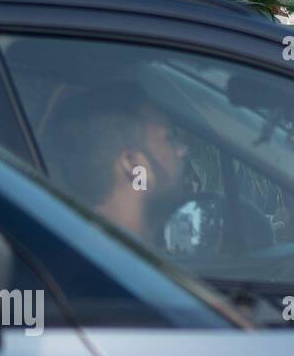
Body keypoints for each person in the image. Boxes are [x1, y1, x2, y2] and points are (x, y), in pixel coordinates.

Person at [39, 82, 190, 248]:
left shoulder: (85, 251)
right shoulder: (113, 265)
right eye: (169, 138)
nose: (183, 150)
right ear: (134, 167)